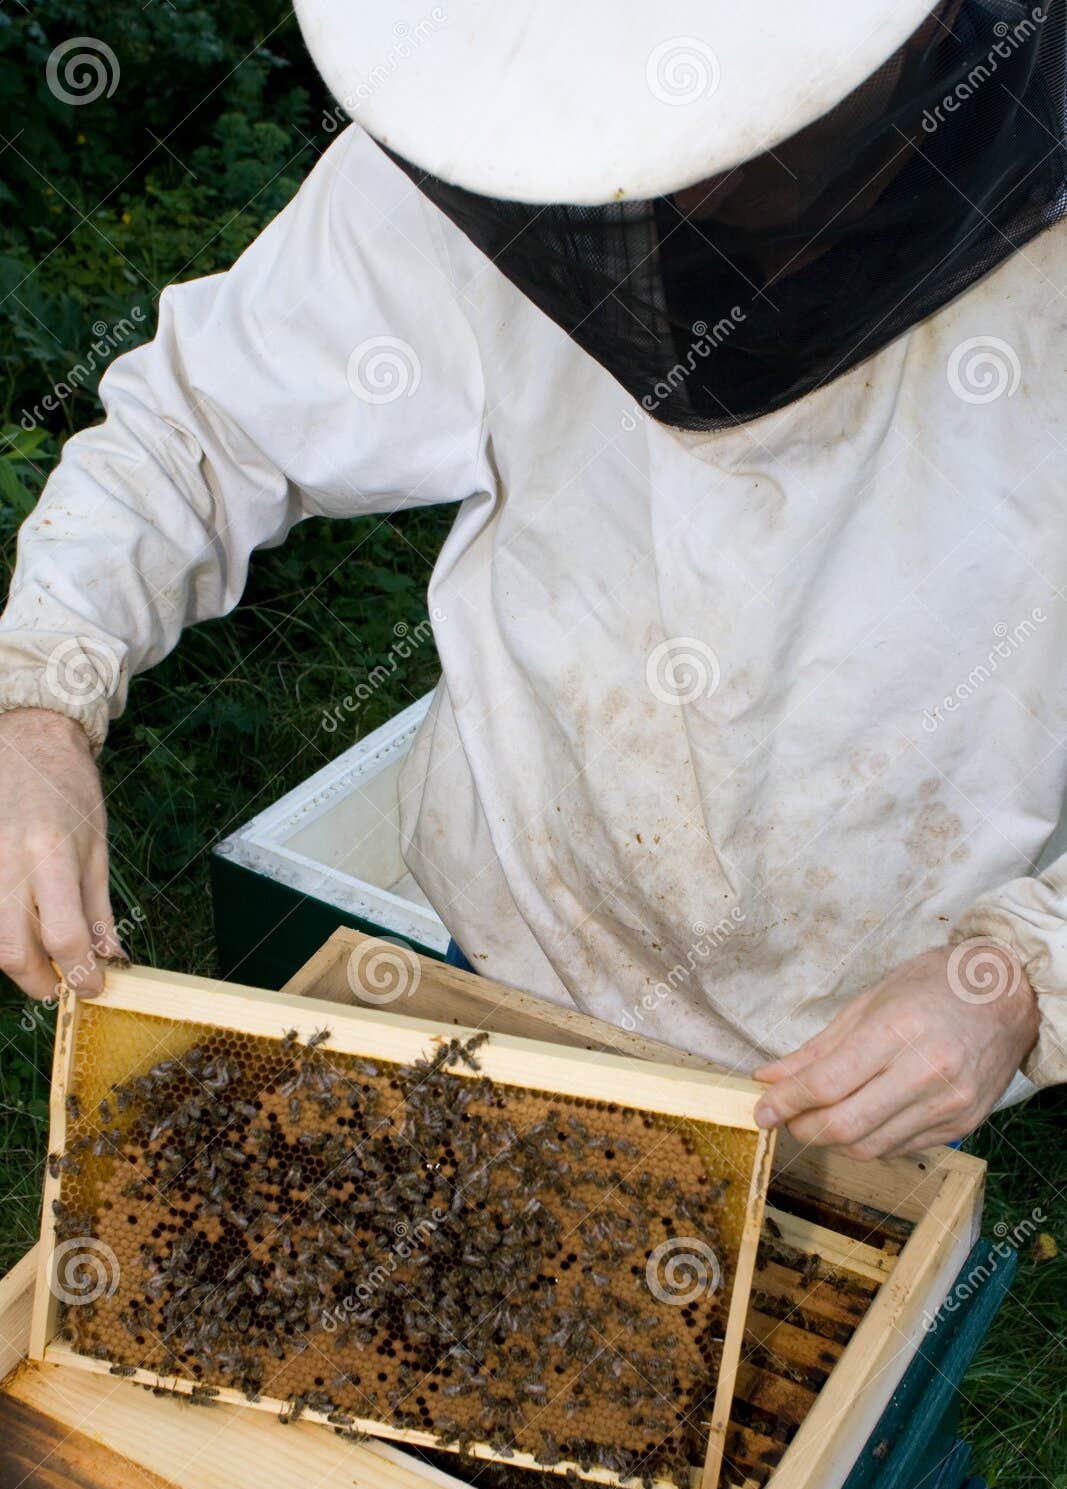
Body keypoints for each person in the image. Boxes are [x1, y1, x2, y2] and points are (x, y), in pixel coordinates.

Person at [2, 0, 1064, 1159]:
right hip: (515, 963)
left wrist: (1016, 976)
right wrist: (38, 708)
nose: (690, 182)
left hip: (869, 1071)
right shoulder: (503, 132)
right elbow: (195, 433)